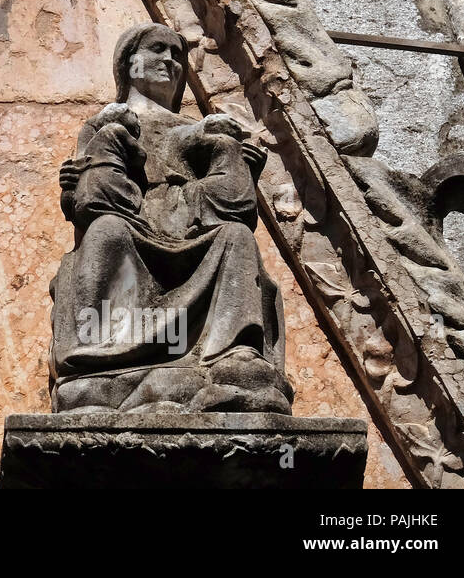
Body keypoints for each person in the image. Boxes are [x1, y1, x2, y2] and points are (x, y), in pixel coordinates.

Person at [51, 22, 292, 414]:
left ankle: (232, 355)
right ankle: (97, 359)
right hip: (131, 217)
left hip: (190, 217)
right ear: (130, 64)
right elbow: (84, 195)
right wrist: (72, 181)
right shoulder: (106, 122)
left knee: (236, 237)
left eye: (177, 54)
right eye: (158, 50)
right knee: (105, 232)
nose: (170, 61)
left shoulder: (199, 127)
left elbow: (231, 198)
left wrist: (242, 164)